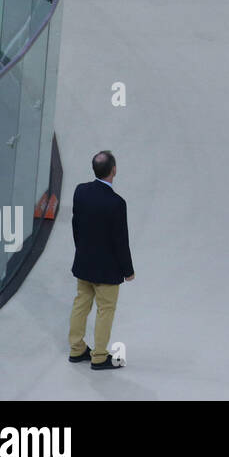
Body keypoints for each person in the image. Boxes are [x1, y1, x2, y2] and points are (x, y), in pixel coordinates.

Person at [68, 150, 135, 371]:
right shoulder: (117, 203)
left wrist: (82, 250)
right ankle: (99, 356)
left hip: (84, 262)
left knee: (81, 303)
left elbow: (76, 226)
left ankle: (77, 349)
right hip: (106, 270)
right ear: (114, 170)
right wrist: (128, 270)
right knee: (105, 310)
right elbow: (120, 241)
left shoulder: (80, 191)